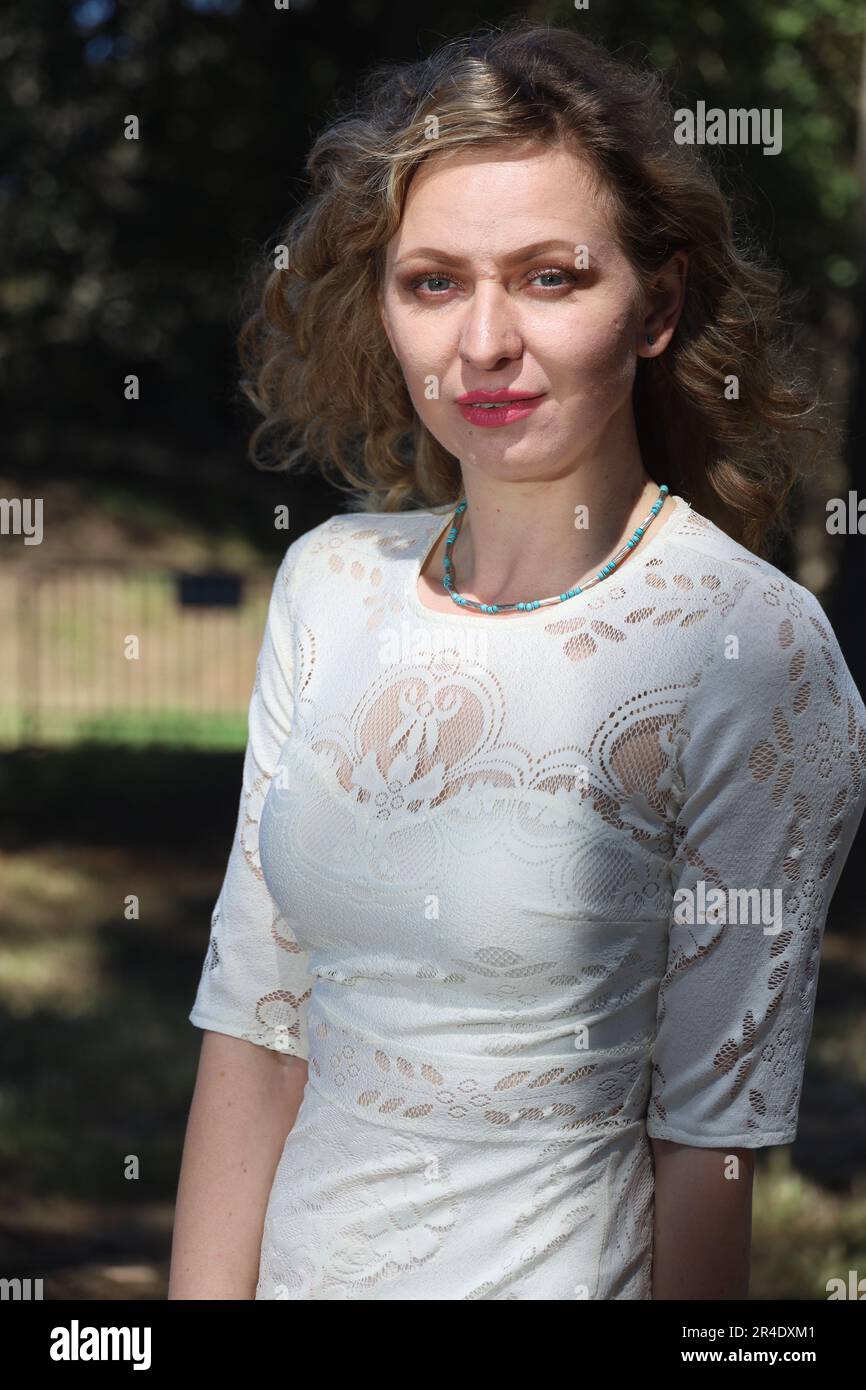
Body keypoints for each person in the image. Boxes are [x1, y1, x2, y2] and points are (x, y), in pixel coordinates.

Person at [169, 21, 866, 1300]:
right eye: (432, 281)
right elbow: (253, 1031)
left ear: (652, 305)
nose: (481, 343)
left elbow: (706, 1141)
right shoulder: (328, 584)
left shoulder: (750, 648)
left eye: (549, 277)